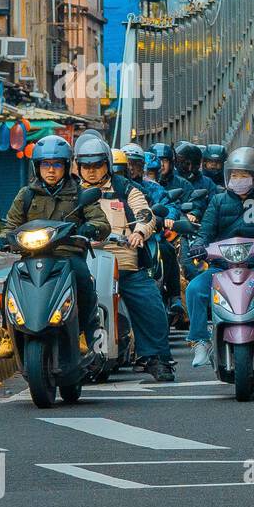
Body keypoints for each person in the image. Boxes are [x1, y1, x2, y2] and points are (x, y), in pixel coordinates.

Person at [0, 136, 111, 360]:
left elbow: (101, 223)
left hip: (67, 255)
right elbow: (11, 225)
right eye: (45, 165)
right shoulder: (26, 194)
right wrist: (1, 238)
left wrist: (91, 228)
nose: (51, 170)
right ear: (37, 167)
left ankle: (84, 333)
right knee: (10, 283)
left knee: (84, 280)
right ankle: (7, 334)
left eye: (57, 164)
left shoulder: (79, 192)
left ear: (66, 167)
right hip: (31, 255)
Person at [74, 137, 175, 381]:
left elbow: (144, 212)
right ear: (77, 166)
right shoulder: (70, 190)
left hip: (123, 261)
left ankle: (157, 358)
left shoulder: (125, 188)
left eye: (97, 165)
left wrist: (140, 231)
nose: (91, 170)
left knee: (150, 301)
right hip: (80, 258)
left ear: (107, 164)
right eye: (85, 165)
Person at [184, 148, 254, 368]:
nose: (238, 180)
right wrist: (199, 245)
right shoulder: (218, 201)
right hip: (220, 268)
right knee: (194, 289)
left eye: (244, 175)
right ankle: (200, 340)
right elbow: (206, 231)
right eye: (234, 175)